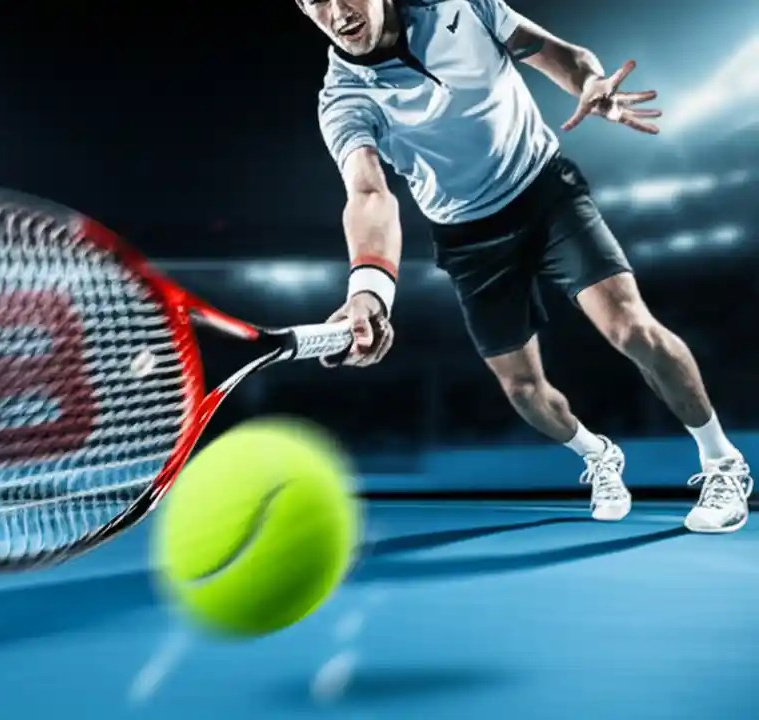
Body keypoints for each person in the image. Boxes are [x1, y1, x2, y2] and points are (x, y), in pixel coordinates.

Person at [300, 0, 752, 531]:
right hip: (468, 236)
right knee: (523, 391)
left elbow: (560, 54)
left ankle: (723, 462)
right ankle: (597, 454)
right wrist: (369, 292)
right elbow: (369, 192)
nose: (335, 12)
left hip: (544, 192)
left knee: (631, 328)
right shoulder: (343, 99)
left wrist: (588, 82)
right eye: (314, 2)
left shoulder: (461, 8)